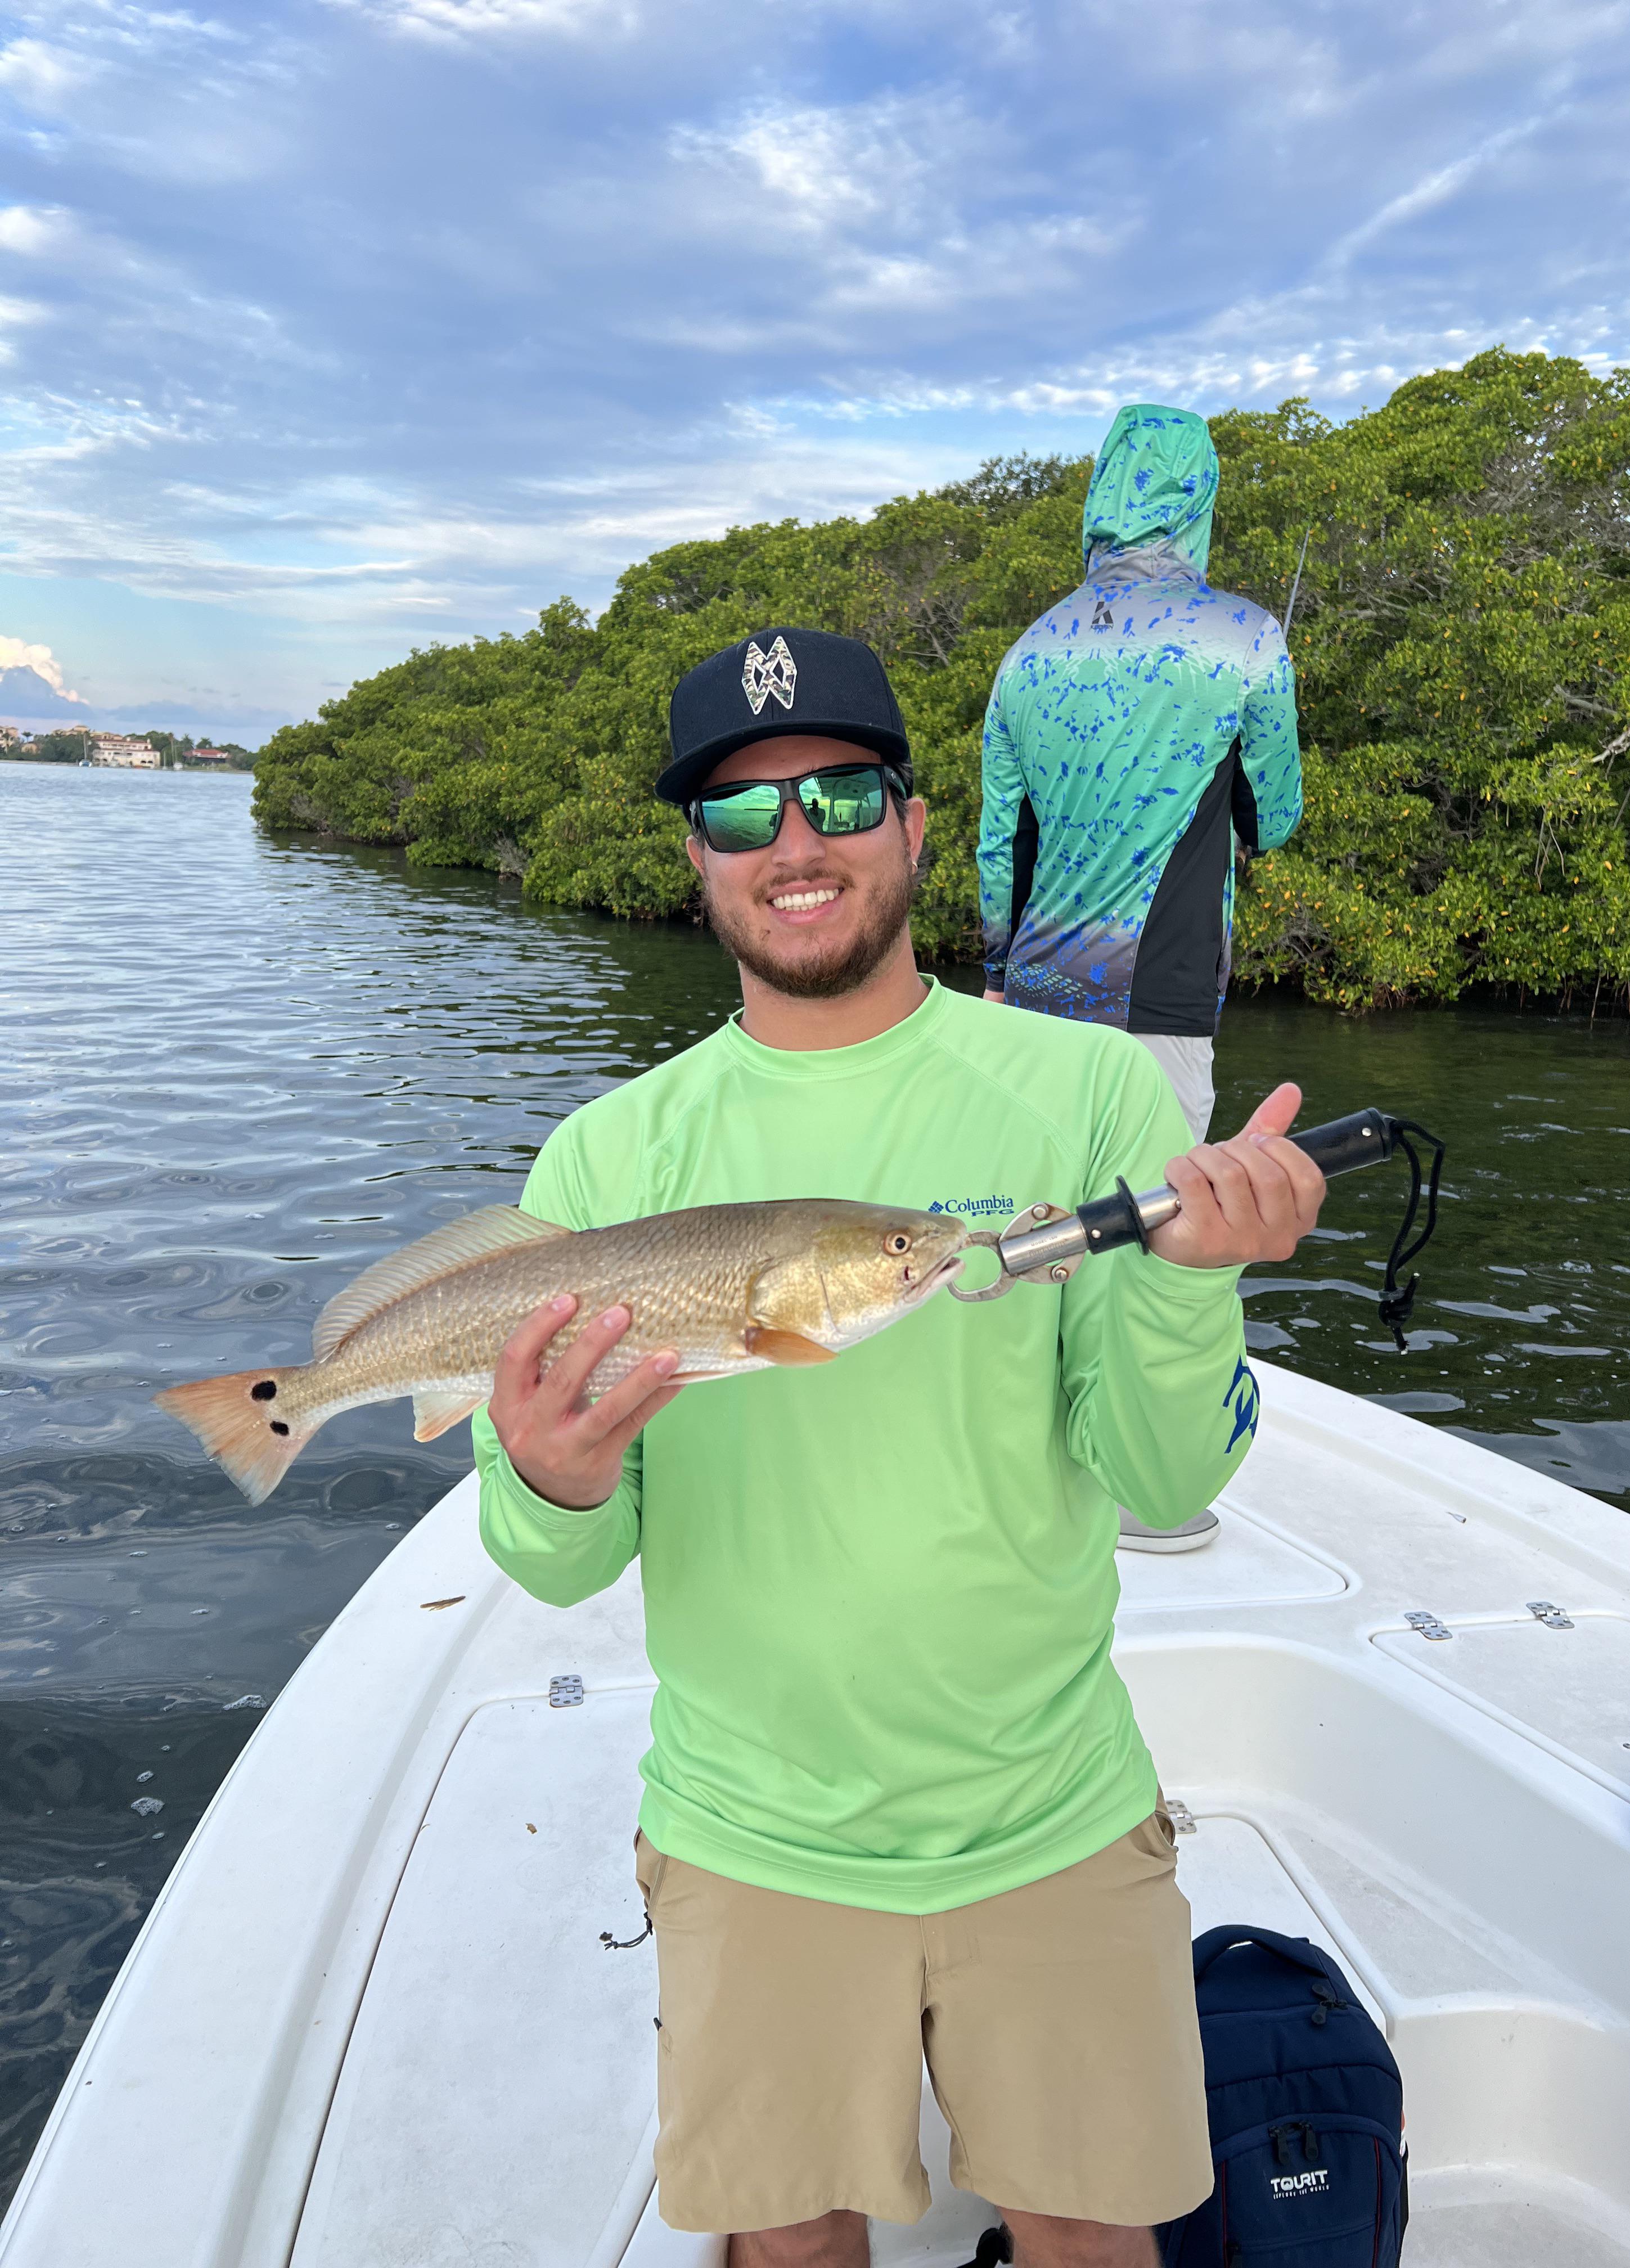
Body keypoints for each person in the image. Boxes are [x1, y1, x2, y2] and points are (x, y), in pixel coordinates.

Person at [474, 626, 1325, 2268]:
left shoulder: (1088, 1089)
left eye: (843, 794)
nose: (797, 845)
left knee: (1095, 2232)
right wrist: (553, 1474)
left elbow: (1163, 1483)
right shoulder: (610, 1150)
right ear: (699, 864)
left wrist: (1195, 1286)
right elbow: (559, 1560)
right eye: (742, 817)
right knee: (787, 2247)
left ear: (919, 827)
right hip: (748, 1832)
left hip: (1056, 1813)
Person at [977, 404, 1304, 1146]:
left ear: (1100, 498)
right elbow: (1272, 821)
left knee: (1037, 1233)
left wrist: (996, 978)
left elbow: (1002, 845)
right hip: (1162, 1002)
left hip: (1033, 1002)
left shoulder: (1027, 652)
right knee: (1150, 1237)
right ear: (1201, 498)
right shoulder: (1247, 635)